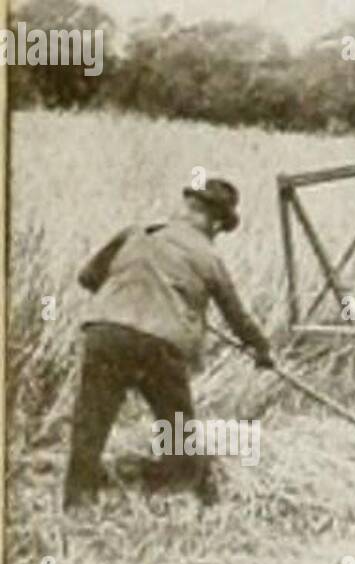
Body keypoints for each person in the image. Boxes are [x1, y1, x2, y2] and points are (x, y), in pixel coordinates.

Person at [64, 177, 273, 511]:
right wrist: (261, 350)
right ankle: (181, 499)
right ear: (216, 222)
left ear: (187, 207)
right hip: (160, 344)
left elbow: (88, 277)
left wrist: (127, 291)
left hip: (104, 332)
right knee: (176, 427)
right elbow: (237, 317)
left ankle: (77, 502)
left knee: (91, 420)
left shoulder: (135, 232)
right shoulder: (209, 257)